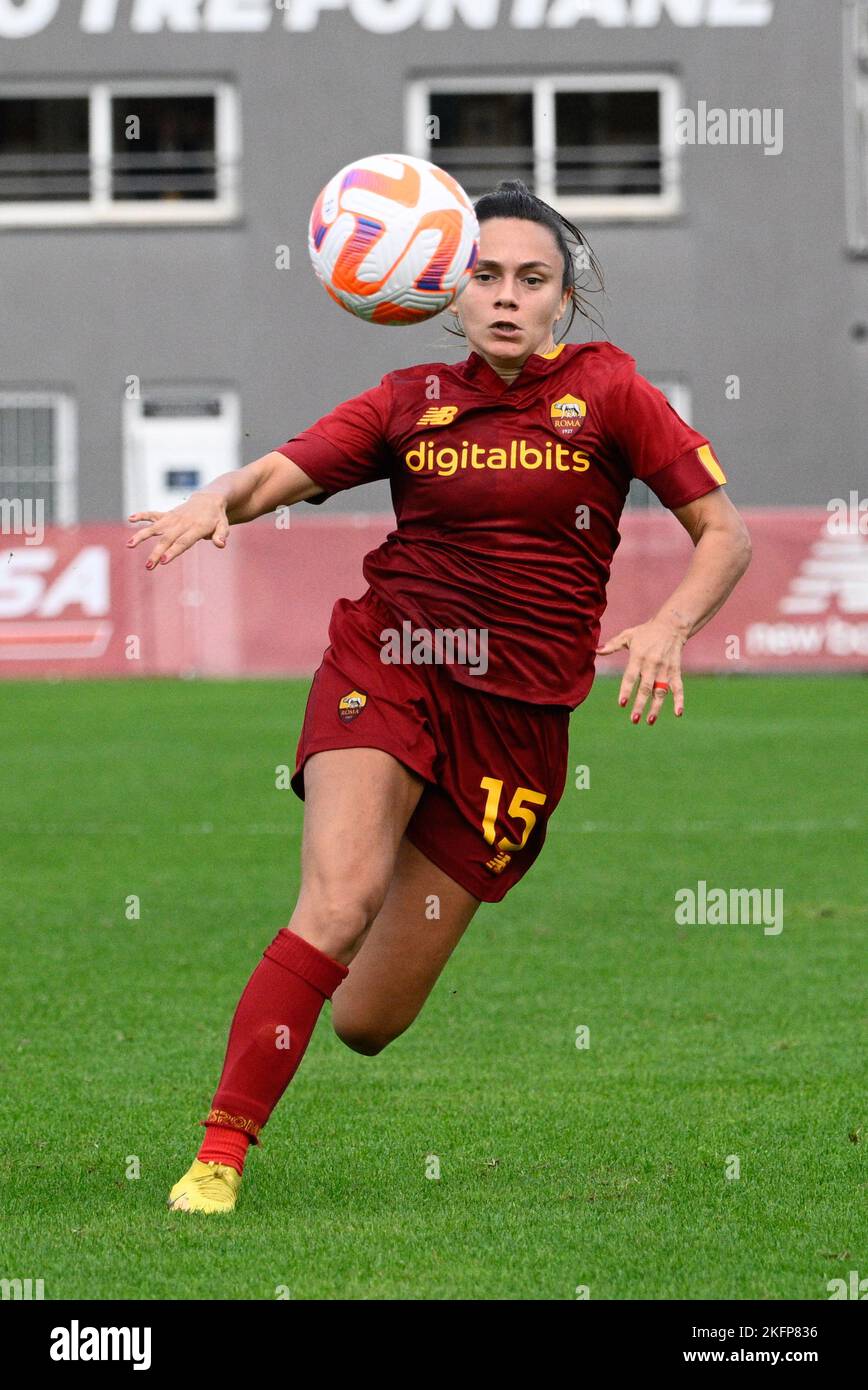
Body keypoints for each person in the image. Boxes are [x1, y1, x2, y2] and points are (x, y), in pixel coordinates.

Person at [127, 179, 751, 1214]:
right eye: (484, 275)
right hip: (391, 664)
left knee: (367, 1019)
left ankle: (314, 983)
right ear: (443, 292)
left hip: (516, 728)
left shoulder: (610, 393)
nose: (506, 296)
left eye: (532, 278)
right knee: (337, 900)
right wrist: (214, 499)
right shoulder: (408, 398)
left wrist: (668, 624)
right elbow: (282, 470)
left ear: (562, 296)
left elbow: (723, 534)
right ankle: (219, 1155)